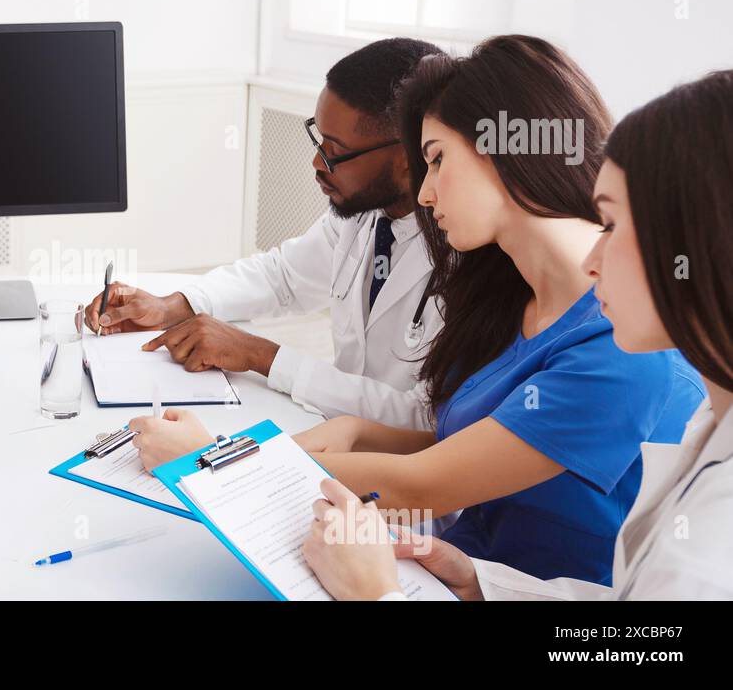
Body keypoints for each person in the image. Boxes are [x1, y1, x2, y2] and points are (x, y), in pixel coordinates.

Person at [127, 36, 704, 585]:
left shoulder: (618, 340)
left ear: (506, 151)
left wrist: (214, 461)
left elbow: (421, 486)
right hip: (465, 570)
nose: (424, 194)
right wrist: (357, 434)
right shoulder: (508, 293)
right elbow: (465, 443)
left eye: (436, 160)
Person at [303, 70, 733, 600]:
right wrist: (483, 583)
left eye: (615, 225)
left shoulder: (623, 354)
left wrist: (372, 593)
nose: (594, 259)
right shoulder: (508, 297)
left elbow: (427, 483)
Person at [85, 38, 444, 430]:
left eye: (335, 151)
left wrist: (261, 355)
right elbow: (282, 277)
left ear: (409, 159)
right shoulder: (362, 216)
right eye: (318, 137)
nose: (317, 162)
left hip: (387, 466)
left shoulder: (464, 258)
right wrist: (172, 305)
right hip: (330, 433)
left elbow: (423, 418)